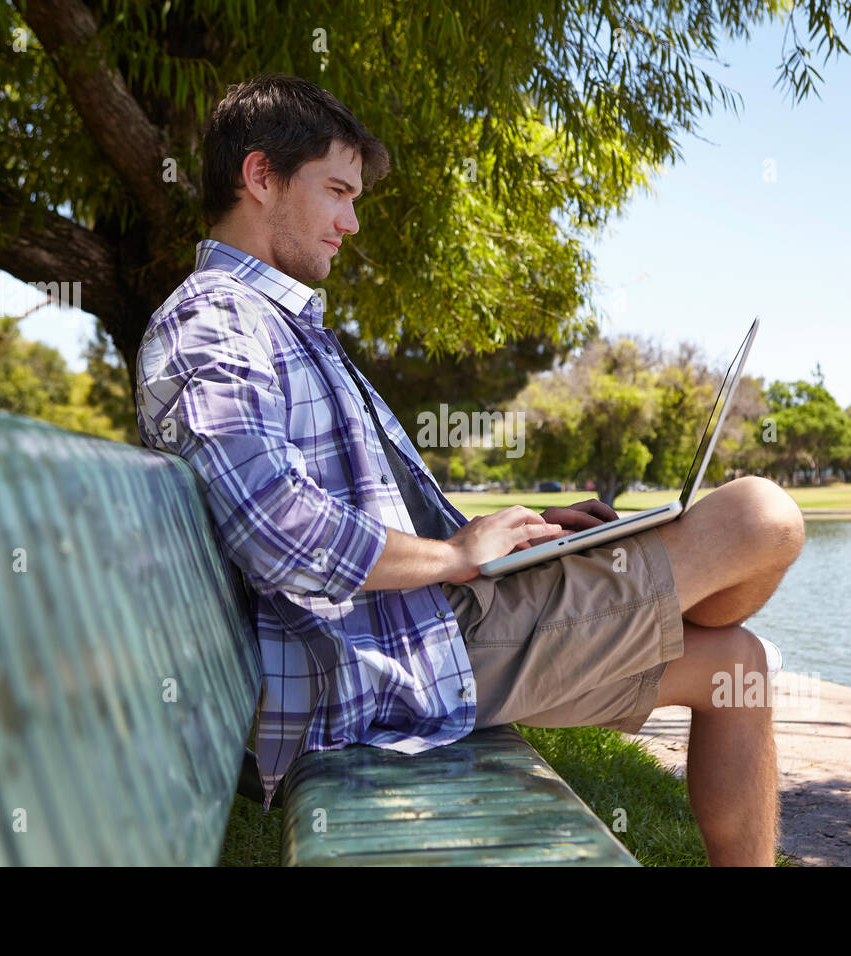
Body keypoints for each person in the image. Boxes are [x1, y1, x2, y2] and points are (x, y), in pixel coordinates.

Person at [135, 72, 805, 866]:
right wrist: (457, 558)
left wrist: (521, 533)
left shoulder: (269, 320)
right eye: (338, 192)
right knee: (759, 517)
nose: (350, 223)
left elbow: (339, 505)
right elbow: (273, 524)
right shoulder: (214, 318)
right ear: (259, 176)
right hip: (374, 667)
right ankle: (658, 601)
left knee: (737, 667)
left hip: (410, 632)